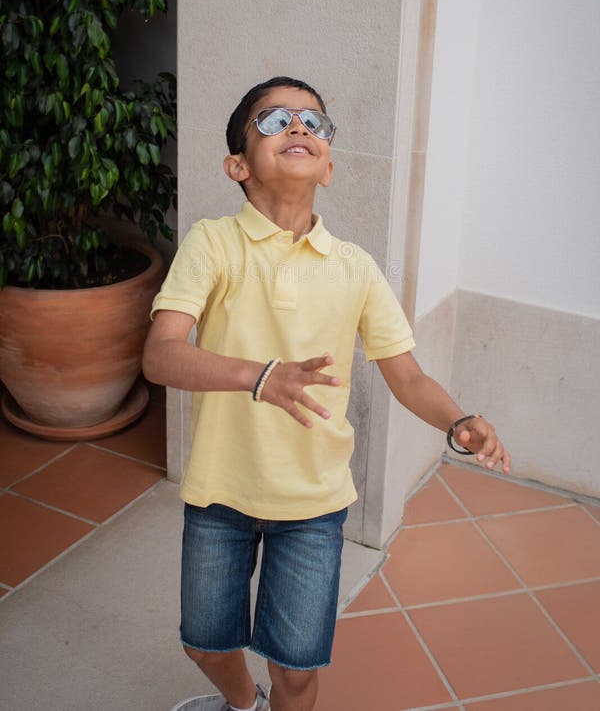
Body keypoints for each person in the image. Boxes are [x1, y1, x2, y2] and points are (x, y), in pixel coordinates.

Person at [142, 76, 511, 711]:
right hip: (220, 489)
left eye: (314, 123)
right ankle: (243, 704)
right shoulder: (213, 244)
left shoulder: (355, 267)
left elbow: (408, 376)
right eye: (274, 119)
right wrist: (260, 376)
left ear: (330, 167)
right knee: (204, 642)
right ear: (237, 165)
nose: (298, 128)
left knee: (296, 668)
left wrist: (458, 421)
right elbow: (161, 353)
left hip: (313, 503)